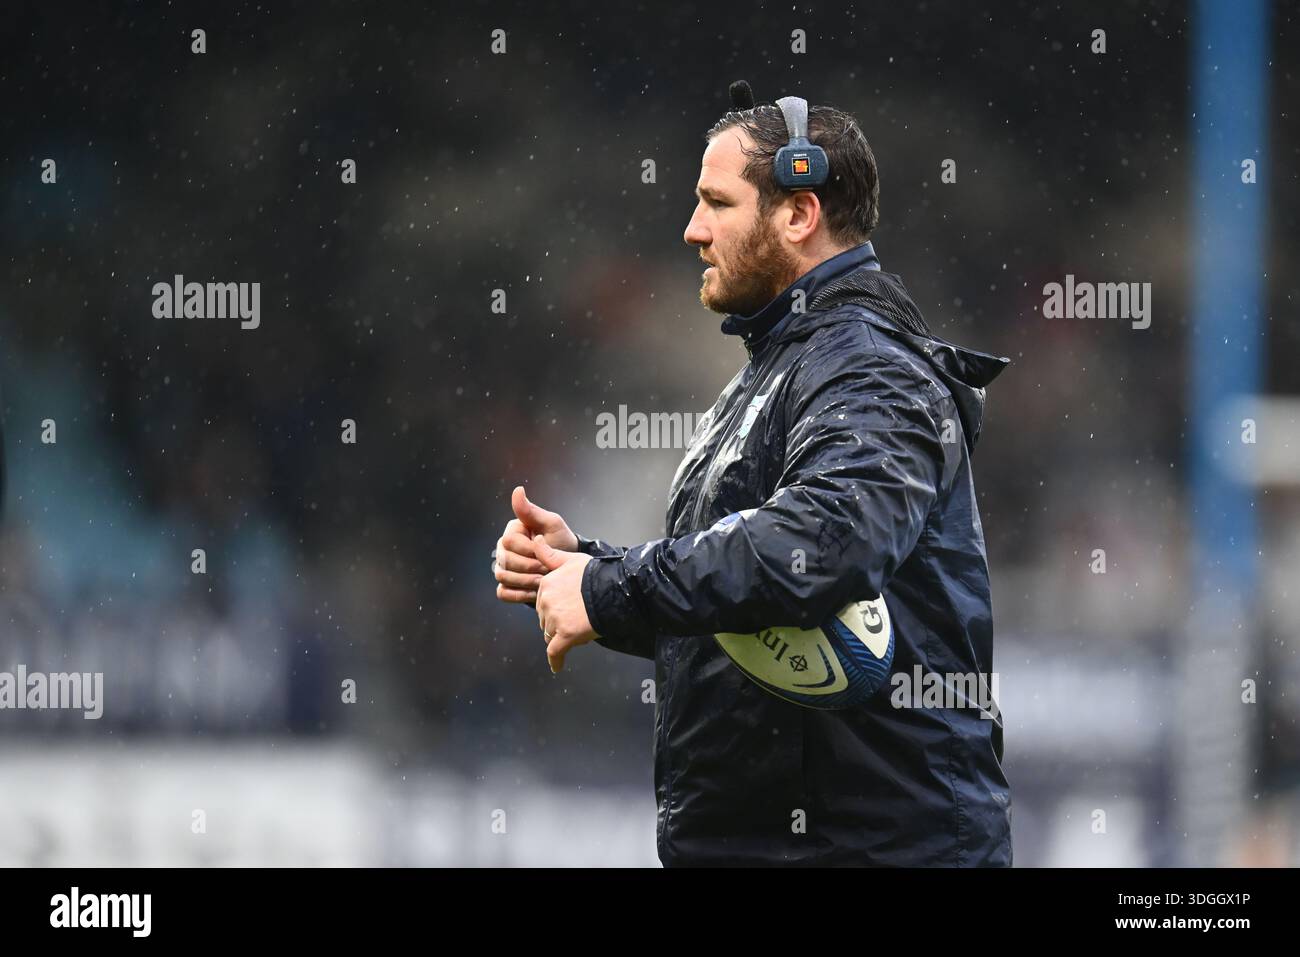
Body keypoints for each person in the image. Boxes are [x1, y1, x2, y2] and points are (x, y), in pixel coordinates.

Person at [494, 90, 1012, 866]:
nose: (691, 229)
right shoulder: (783, 367)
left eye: (715, 202)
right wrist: (586, 570)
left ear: (799, 214)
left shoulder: (866, 367)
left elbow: (825, 547)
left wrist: (611, 588)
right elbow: (752, 614)